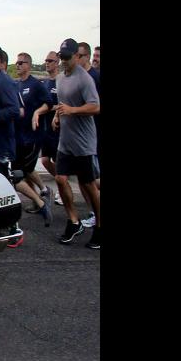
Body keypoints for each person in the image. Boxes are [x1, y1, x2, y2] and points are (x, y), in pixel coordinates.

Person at [52, 38, 100, 249]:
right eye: (61, 57)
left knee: (89, 186)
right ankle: (74, 221)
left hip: (83, 142)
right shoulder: (60, 78)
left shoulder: (85, 79)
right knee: (60, 179)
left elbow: (95, 106)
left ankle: (99, 226)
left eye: (67, 57)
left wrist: (73, 111)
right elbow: (62, 103)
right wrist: (57, 116)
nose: (63, 61)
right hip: (66, 141)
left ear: (77, 57)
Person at [13, 52, 52, 226]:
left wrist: (37, 112)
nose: (18, 65)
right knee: (26, 170)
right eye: (17, 62)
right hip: (20, 135)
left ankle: (42, 197)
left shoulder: (36, 84)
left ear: (28, 64)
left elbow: (48, 103)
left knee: (21, 170)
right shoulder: (17, 84)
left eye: (21, 62)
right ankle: (42, 194)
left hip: (34, 134)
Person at [77, 41, 101, 227]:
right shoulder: (78, 77)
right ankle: (94, 212)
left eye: (78, 55)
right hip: (83, 137)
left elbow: (95, 106)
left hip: (94, 135)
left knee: (90, 180)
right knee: (85, 179)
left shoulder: (94, 77)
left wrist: (72, 110)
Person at [32, 51, 61, 205]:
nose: (47, 63)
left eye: (50, 60)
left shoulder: (61, 81)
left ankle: (63, 188)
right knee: (44, 160)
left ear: (57, 62)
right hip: (46, 129)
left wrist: (51, 108)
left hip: (58, 129)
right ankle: (60, 185)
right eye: (46, 60)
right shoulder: (45, 83)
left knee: (58, 161)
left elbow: (63, 104)